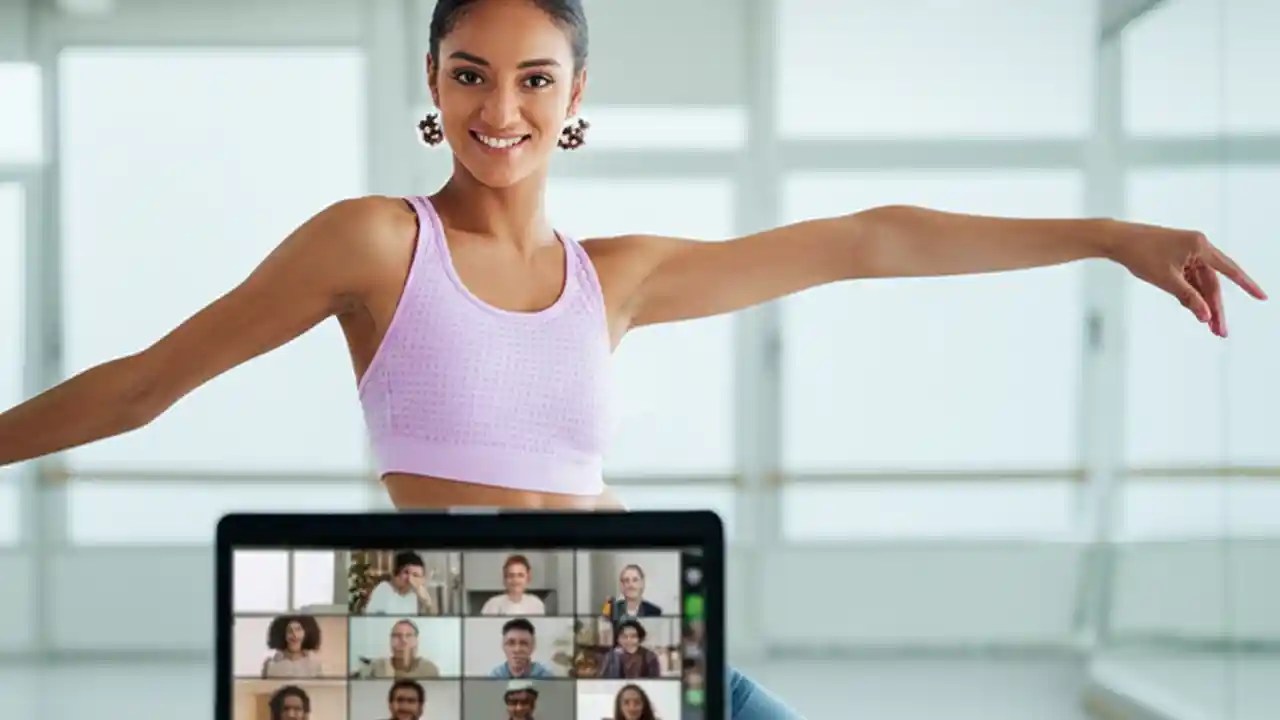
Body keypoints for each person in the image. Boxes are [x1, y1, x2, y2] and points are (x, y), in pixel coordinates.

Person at [0, 0, 1266, 717]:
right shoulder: (378, 244)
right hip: (466, 660)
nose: (501, 110)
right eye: (471, 75)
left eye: (533, 79)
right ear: (432, 82)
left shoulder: (618, 275)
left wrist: (1110, 235)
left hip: (635, 639)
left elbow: (866, 240)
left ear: (575, 94)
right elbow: (146, 383)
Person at [359, 619, 442, 679]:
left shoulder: (429, 669)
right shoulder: (377, 667)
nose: (403, 640)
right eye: (397, 636)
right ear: (391, 641)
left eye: (408, 635)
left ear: (416, 641)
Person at [365, 551, 438, 616]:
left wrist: (428, 603)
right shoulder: (384, 589)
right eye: (406, 572)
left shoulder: (413, 595)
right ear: (396, 573)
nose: (410, 579)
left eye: (415, 575)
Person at [480, 554, 546, 615]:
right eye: (511, 575)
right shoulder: (493, 604)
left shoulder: (537, 604)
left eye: (520, 575)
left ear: (528, 578)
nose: (515, 580)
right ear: (505, 579)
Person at [488, 618, 554, 678]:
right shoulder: (495, 677)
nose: (517, 649)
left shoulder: (545, 677)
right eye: (511, 643)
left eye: (524, 643)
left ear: (533, 647)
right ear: (503, 646)